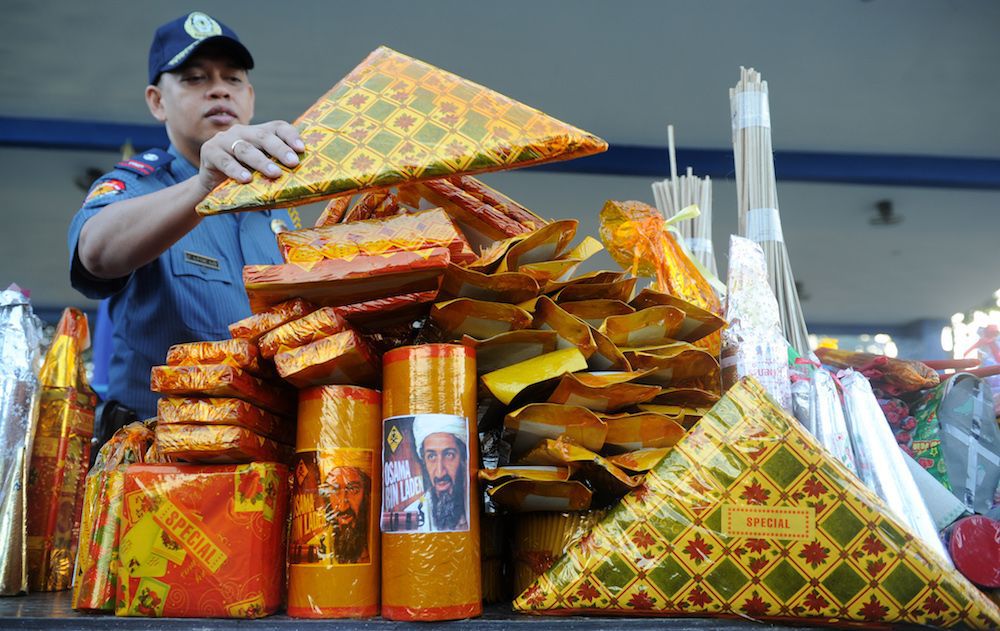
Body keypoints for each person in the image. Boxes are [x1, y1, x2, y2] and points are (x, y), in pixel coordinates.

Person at [67, 11, 304, 419]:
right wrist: (203, 186)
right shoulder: (140, 186)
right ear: (157, 101)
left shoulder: (279, 212)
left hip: (266, 454)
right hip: (160, 463)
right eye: (195, 78)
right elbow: (95, 252)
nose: (218, 91)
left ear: (250, 97)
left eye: (232, 79)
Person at [411, 416, 469, 532]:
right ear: (424, 461)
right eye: (431, 456)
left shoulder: (473, 507)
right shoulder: (412, 514)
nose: (440, 472)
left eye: (449, 455)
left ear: (463, 458)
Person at [318, 466, 371, 564]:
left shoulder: (374, 546)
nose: (343, 506)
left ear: (366, 496)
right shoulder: (317, 546)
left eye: (353, 490)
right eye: (334, 490)